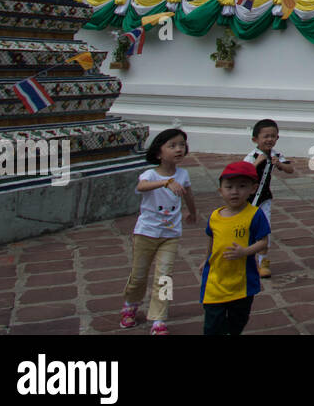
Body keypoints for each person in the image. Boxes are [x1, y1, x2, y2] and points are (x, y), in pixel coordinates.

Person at [121, 128, 197, 336]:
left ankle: (159, 318)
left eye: (181, 145)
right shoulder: (150, 174)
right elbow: (142, 186)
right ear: (158, 153)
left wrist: (192, 212)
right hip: (146, 233)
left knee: (165, 276)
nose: (178, 149)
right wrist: (165, 182)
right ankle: (130, 304)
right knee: (138, 275)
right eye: (172, 146)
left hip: (170, 235)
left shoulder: (183, 174)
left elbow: (188, 193)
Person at [200, 161, 270, 336]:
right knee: (212, 325)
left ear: (253, 189)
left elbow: (263, 242)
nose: (234, 191)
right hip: (215, 279)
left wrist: (244, 252)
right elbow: (211, 237)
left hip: (242, 281)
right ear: (220, 190)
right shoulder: (215, 216)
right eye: (229, 187)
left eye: (241, 186)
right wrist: (206, 258)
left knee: (238, 320)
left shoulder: (254, 214)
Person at [242, 119, 294, 278]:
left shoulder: (276, 155)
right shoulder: (252, 156)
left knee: (264, 228)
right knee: (246, 228)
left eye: (273, 136)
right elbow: (243, 173)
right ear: (255, 139)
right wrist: (257, 162)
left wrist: (280, 165)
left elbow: (290, 169)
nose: (269, 139)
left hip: (264, 198)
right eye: (265, 136)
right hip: (247, 199)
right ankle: (245, 258)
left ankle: (263, 261)